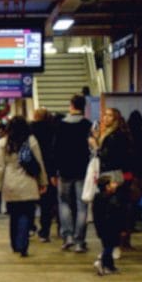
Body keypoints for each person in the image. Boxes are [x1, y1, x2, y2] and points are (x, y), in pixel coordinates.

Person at [0, 116, 48, 257]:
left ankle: (15, 244)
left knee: (14, 215)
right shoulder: (31, 140)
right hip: (28, 182)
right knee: (26, 214)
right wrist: (43, 182)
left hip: (10, 183)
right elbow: (39, 162)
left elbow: (0, 167)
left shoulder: (3, 143)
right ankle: (23, 244)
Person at [90, 108, 135, 252]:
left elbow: (108, 157)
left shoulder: (116, 136)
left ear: (115, 119)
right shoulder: (107, 135)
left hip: (113, 177)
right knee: (106, 213)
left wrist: (95, 146)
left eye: (110, 116)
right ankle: (110, 248)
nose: (105, 118)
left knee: (110, 214)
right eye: (105, 115)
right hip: (107, 177)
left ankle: (112, 247)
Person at [54, 94, 93, 253]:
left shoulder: (60, 125)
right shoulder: (87, 125)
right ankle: (79, 241)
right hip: (82, 170)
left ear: (71, 105)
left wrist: (54, 170)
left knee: (64, 203)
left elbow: (55, 149)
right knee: (82, 205)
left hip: (64, 170)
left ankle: (67, 236)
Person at [30, 107, 57, 242]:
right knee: (47, 202)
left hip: (31, 168)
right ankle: (44, 231)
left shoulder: (29, 130)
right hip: (47, 168)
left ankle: (30, 226)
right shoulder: (53, 129)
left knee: (30, 200)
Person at [92, 175, 125, 276]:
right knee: (110, 247)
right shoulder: (113, 199)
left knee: (107, 246)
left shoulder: (97, 198)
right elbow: (118, 214)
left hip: (101, 227)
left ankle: (109, 266)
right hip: (112, 227)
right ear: (107, 187)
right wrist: (122, 228)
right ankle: (101, 263)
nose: (116, 185)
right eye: (113, 183)